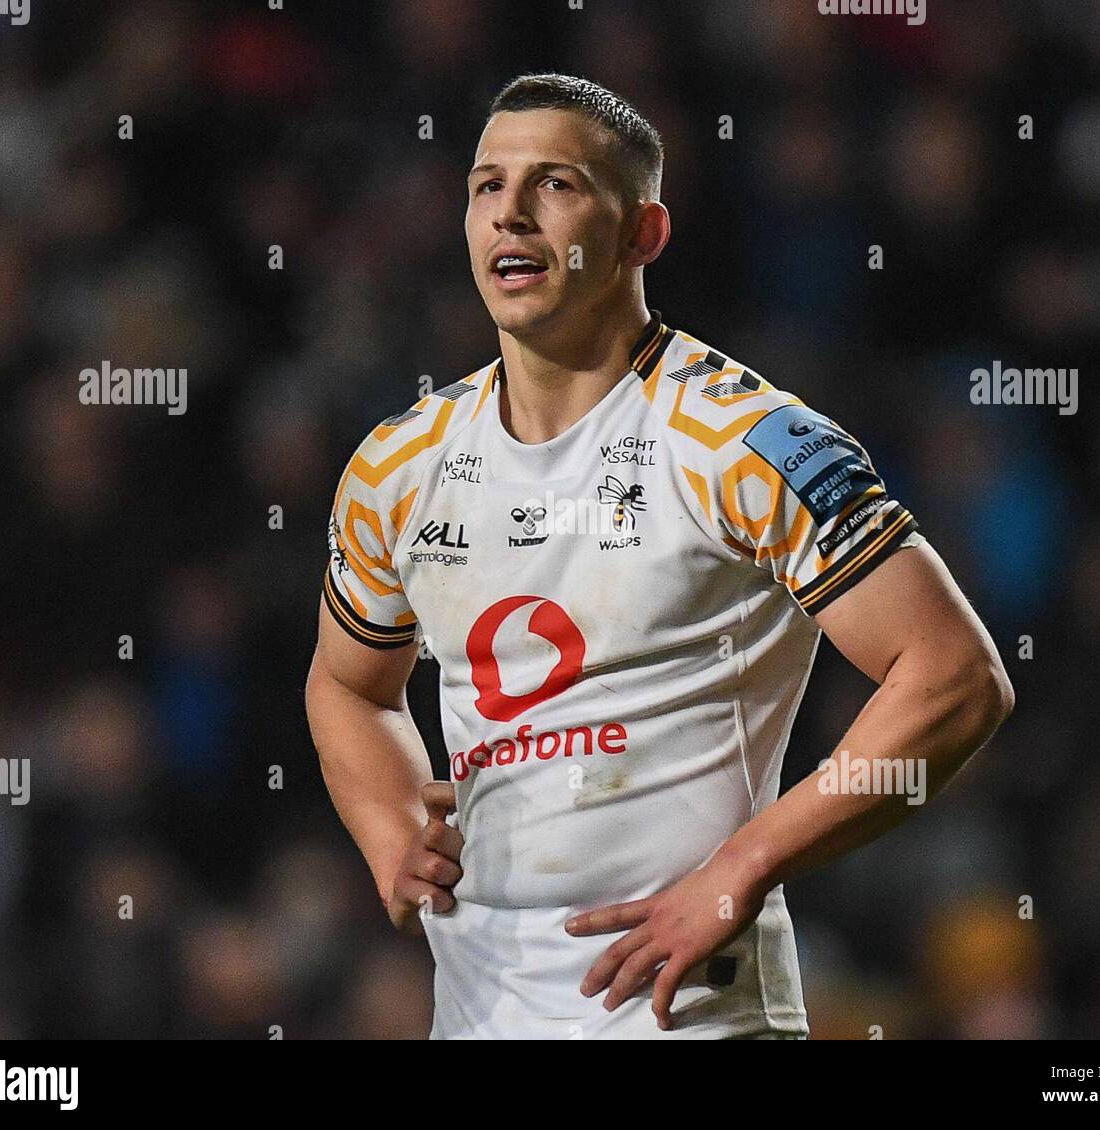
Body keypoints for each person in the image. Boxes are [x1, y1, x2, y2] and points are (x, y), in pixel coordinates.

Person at [305, 73, 1014, 1039]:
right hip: (478, 1015)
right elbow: (350, 687)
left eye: (554, 184)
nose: (509, 212)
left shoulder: (746, 442)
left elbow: (957, 677)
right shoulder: (397, 466)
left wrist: (740, 870)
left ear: (644, 234)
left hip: (692, 1017)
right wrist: (387, 824)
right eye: (485, 186)